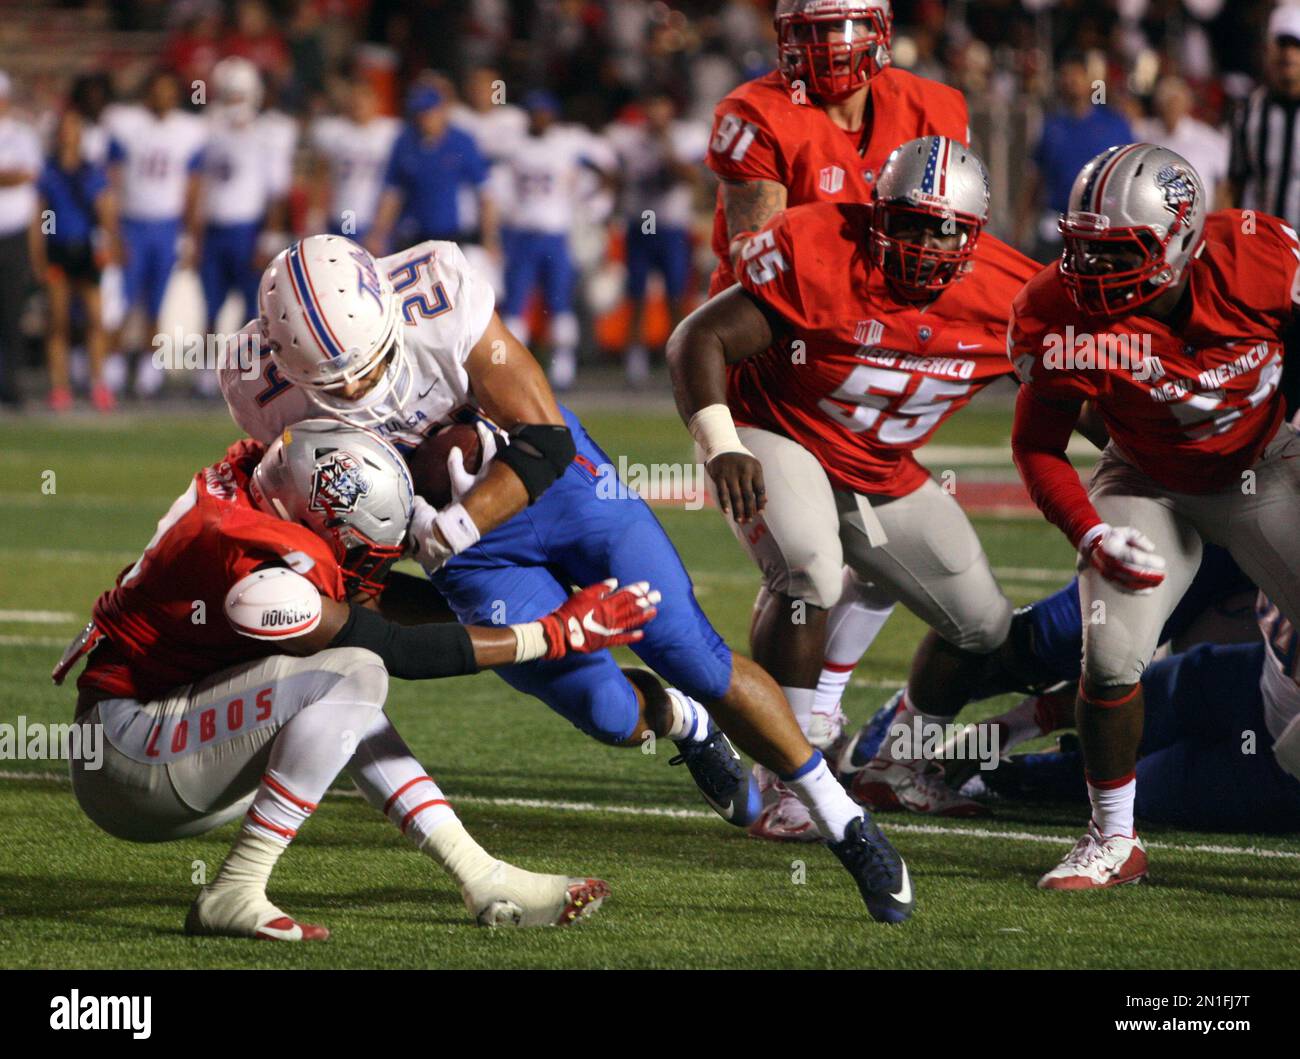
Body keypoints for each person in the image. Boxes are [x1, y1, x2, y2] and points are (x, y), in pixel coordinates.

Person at [219, 234, 915, 924]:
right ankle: (683, 721)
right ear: (285, 360)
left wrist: (454, 523)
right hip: (472, 561)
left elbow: (545, 437)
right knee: (609, 715)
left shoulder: (435, 287)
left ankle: (843, 819)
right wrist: (419, 552)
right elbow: (338, 556)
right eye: (338, 382)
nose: (363, 387)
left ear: (384, 306)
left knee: (689, 651)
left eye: (370, 363)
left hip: (562, 493)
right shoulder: (256, 386)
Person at [59, 418, 656, 940]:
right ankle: (234, 891)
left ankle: (480, 876)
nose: (367, 570)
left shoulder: (265, 480)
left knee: (338, 678)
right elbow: (393, 647)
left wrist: (513, 614)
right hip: (130, 759)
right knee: (353, 672)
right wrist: (551, 635)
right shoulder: (264, 582)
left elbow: (366, 605)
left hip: (162, 721)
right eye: (362, 553)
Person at [668, 137, 1041, 838]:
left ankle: (896, 762)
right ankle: (784, 778)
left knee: (981, 622)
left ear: (975, 234)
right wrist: (719, 445)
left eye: (945, 227)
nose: (925, 242)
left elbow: (1075, 395)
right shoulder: (821, 250)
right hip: (778, 430)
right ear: (876, 215)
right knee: (809, 567)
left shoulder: (1015, 295)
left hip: (877, 465)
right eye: (907, 221)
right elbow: (698, 339)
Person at [702, 0, 969, 821]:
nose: (823, 48)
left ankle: (826, 716)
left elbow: (952, 227)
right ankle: (787, 759)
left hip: (870, 352)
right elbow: (766, 272)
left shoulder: (935, 109)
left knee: (899, 561)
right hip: (778, 370)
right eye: (807, 30)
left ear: (879, 30)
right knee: (810, 570)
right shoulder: (756, 115)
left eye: (839, 28)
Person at [1008, 143, 1300, 889]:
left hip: (1262, 463)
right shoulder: (1052, 310)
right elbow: (1037, 444)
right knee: (1109, 655)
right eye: (1083, 252)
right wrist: (1091, 531)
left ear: (1180, 240)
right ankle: (1112, 837)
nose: (1091, 274)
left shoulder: (1258, 259)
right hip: (1146, 476)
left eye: (1116, 254)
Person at [497, 90, 612, 390]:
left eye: (544, 113)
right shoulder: (514, 145)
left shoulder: (567, 144)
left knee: (559, 304)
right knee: (515, 305)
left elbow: (606, 173)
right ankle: (513, 369)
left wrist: (590, 203)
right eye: (535, 113)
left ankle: (563, 366)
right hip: (522, 234)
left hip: (555, 235)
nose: (540, 118)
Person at [104, 68, 207, 398]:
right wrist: (113, 231)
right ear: (147, 92)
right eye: (158, 90)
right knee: (121, 300)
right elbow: (112, 181)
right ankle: (113, 365)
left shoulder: (189, 130)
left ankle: (150, 368)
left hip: (166, 226)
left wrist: (190, 235)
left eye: (169, 91)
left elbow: (192, 189)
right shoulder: (127, 123)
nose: (165, 97)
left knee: (157, 303)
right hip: (132, 223)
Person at [193, 57, 294, 370]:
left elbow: (276, 192)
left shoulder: (270, 132)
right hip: (213, 229)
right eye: (228, 95)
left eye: (238, 95)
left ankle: (251, 367)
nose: (233, 103)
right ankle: (208, 370)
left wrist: (268, 237)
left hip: (248, 229)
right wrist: (192, 233)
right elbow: (198, 184)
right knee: (210, 304)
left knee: (253, 306)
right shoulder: (208, 127)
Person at [607, 91, 709, 387]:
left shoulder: (685, 136)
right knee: (636, 294)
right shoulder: (629, 139)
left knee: (677, 296)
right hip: (640, 226)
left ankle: (680, 358)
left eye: (661, 109)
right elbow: (617, 177)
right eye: (651, 109)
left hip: (672, 227)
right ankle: (635, 362)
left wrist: (666, 145)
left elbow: (690, 177)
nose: (655, 116)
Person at [35, 108, 120, 412]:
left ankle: (98, 382)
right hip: (59, 248)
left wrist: (109, 243)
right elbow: (42, 215)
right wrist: (41, 254)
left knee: (95, 320)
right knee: (58, 322)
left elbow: (105, 209)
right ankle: (61, 387)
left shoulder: (90, 171)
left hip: (86, 249)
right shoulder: (48, 171)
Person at [1014, 52, 1133, 262]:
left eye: (1076, 76)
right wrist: (1019, 226)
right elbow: (1035, 178)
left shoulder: (1114, 125)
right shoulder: (1052, 126)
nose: (1071, 82)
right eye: (1066, 76)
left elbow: (1129, 173)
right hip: (1057, 221)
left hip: (1101, 224)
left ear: (1089, 81)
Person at [368, 85, 498, 261]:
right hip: (413, 232)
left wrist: (490, 238)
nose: (424, 118)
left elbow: (485, 193)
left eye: (429, 112)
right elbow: (392, 193)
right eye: (419, 113)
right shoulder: (405, 142)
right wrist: (378, 233)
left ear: (442, 111)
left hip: (454, 234)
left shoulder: (461, 142)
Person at [1229, 4, 1300, 229]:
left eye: (1296, 46)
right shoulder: (1249, 110)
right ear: (1268, 50)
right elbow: (1236, 183)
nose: (1288, 54)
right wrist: (1240, 234)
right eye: (1281, 44)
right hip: (1263, 240)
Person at [309, 77, 401, 241]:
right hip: (346, 212)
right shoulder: (334, 131)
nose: (359, 104)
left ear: (376, 101)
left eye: (364, 98)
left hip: (376, 215)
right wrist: (316, 214)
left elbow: (396, 184)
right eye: (355, 98)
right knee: (346, 255)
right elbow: (321, 175)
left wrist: (380, 229)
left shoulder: (391, 132)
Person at [0, 70, 41, 409]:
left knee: (12, 313)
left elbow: (27, 173)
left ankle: (11, 385)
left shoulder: (21, 135)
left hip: (13, 233)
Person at [1137, 76, 1230, 211]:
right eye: (1166, 101)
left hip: (1201, 217)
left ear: (1187, 103)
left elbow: (1224, 186)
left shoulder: (1209, 138)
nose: (1171, 106)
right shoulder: (1145, 133)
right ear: (1158, 105)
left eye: (1175, 101)